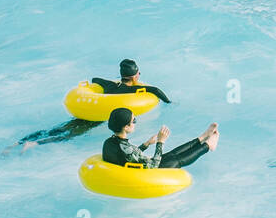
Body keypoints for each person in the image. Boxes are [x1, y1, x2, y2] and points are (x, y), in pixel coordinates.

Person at [10, 59, 173, 151]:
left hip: (85, 112)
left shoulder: (110, 85)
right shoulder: (134, 90)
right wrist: (169, 103)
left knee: (57, 128)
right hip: (96, 118)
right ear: (135, 76)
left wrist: (110, 83)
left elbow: (95, 80)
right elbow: (156, 90)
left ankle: (16, 144)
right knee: (68, 136)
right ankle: (33, 144)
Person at [102, 108, 218, 169]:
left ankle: (202, 137)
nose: (135, 122)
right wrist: (160, 142)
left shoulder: (110, 142)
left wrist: (147, 143)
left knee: (172, 153)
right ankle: (207, 146)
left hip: (138, 166)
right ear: (126, 127)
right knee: (177, 159)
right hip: (150, 171)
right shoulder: (126, 148)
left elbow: (130, 155)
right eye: (134, 121)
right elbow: (153, 166)